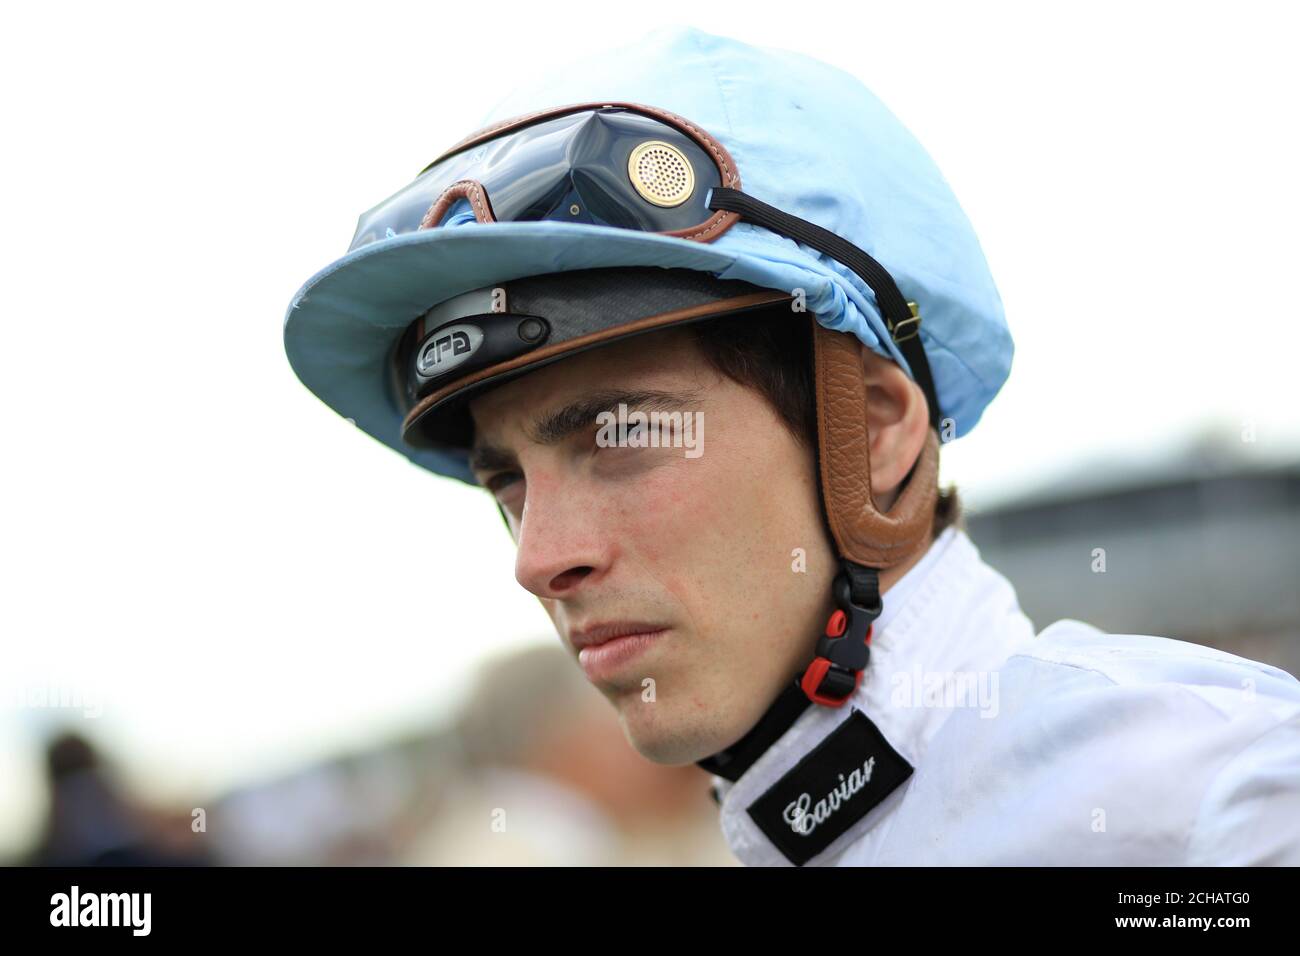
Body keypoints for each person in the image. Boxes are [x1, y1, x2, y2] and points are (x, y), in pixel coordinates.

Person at [284, 26, 1300, 865]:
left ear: (883, 423)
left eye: (620, 434)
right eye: (506, 482)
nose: (538, 559)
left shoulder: (1225, 803)